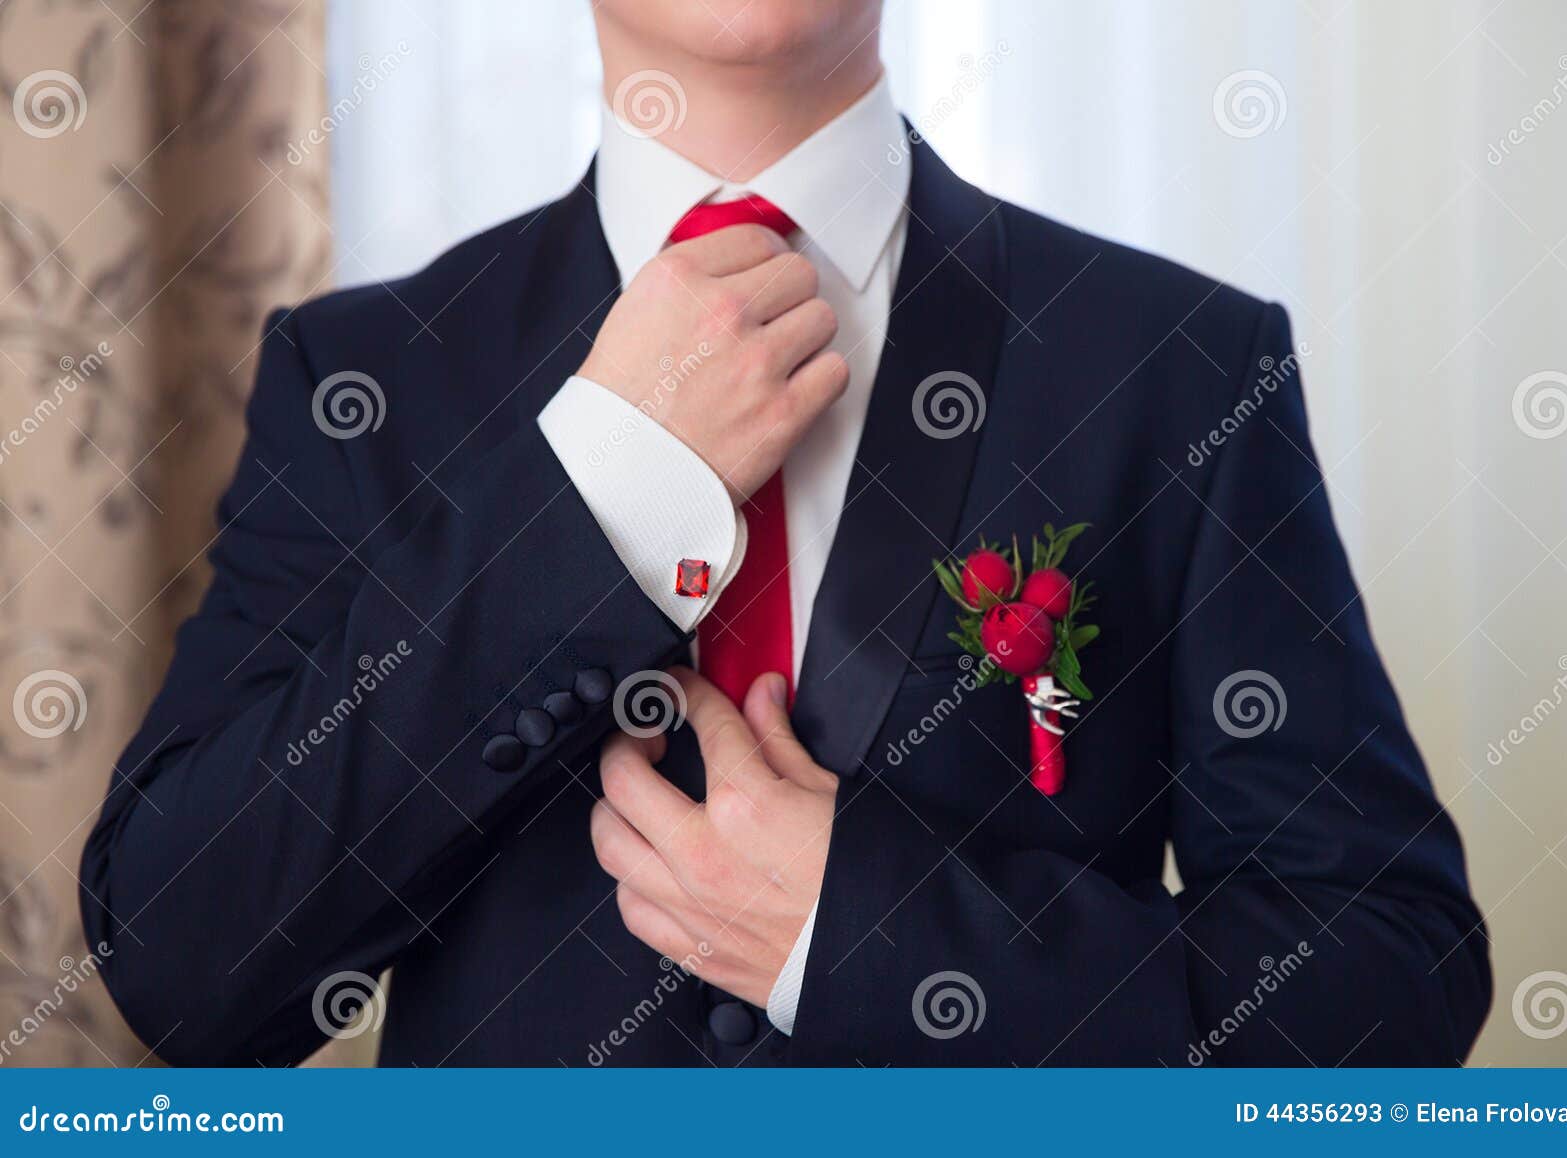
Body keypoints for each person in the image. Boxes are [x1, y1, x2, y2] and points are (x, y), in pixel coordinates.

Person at [80, 0, 1489, 1065]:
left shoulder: (1176, 366)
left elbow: (1393, 973)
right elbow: (186, 963)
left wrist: (857, 931)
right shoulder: (368, 379)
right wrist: (604, 488)